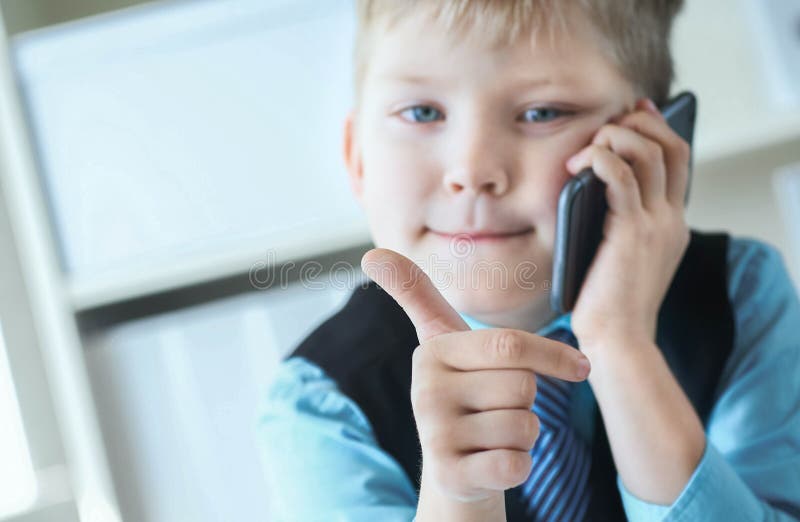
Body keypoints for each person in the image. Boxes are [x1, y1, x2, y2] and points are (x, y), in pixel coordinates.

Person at [257, 1, 800, 520]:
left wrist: (621, 344)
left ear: (648, 144)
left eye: (541, 113)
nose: (472, 169)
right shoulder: (323, 402)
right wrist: (457, 498)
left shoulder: (742, 293)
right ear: (357, 159)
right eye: (423, 112)